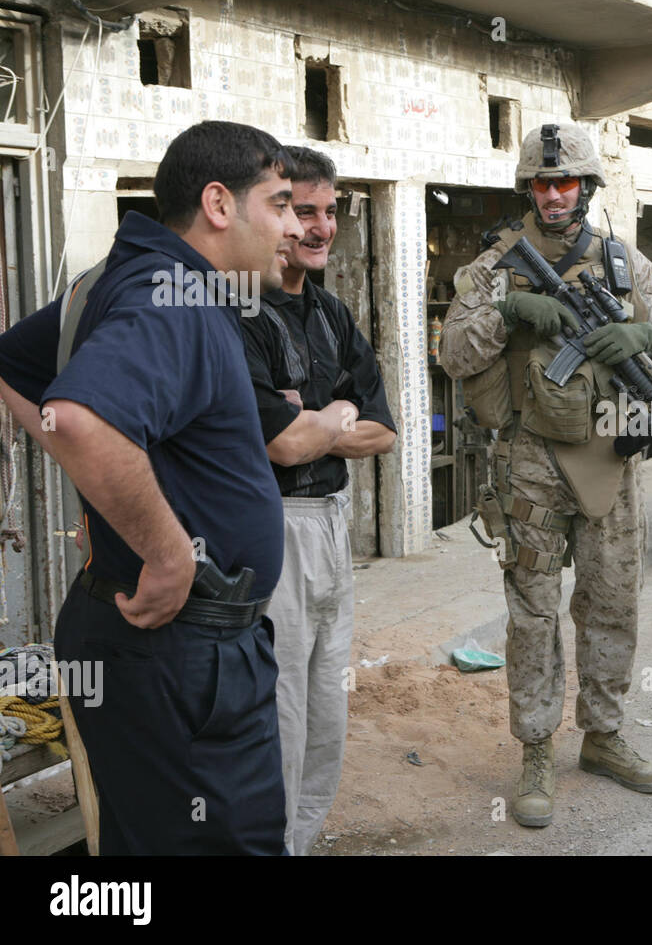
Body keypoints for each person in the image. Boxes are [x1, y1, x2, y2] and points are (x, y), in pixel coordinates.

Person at [0, 121, 301, 853]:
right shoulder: (179, 301)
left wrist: (114, 497)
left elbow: (14, 364)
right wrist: (167, 553)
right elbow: (76, 420)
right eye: (282, 203)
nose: (294, 227)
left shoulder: (118, 277)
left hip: (154, 650)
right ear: (220, 204)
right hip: (180, 654)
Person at [440, 122, 652, 828]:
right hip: (530, 464)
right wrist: (508, 310)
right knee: (533, 614)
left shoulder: (623, 263)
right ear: (529, 188)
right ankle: (537, 749)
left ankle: (604, 737)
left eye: (566, 182)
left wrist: (642, 335)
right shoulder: (493, 268)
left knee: (613, 603)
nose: (554, 194)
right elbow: (455, 352)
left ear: (586, 188)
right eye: (543, 183)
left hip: (610, 456)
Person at [241, 146, 396, 855]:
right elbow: (280, 447)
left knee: (329, 701)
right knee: (282, 709)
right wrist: (335, 420)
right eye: (304, 211)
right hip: (278, 529)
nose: (320, 227)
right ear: (274, 215)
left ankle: (301, 841)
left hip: (334, 526)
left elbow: (385, 431)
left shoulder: (333, 312)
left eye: (330, 212)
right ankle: (271, 845)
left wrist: (318, 420)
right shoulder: (241, 311)